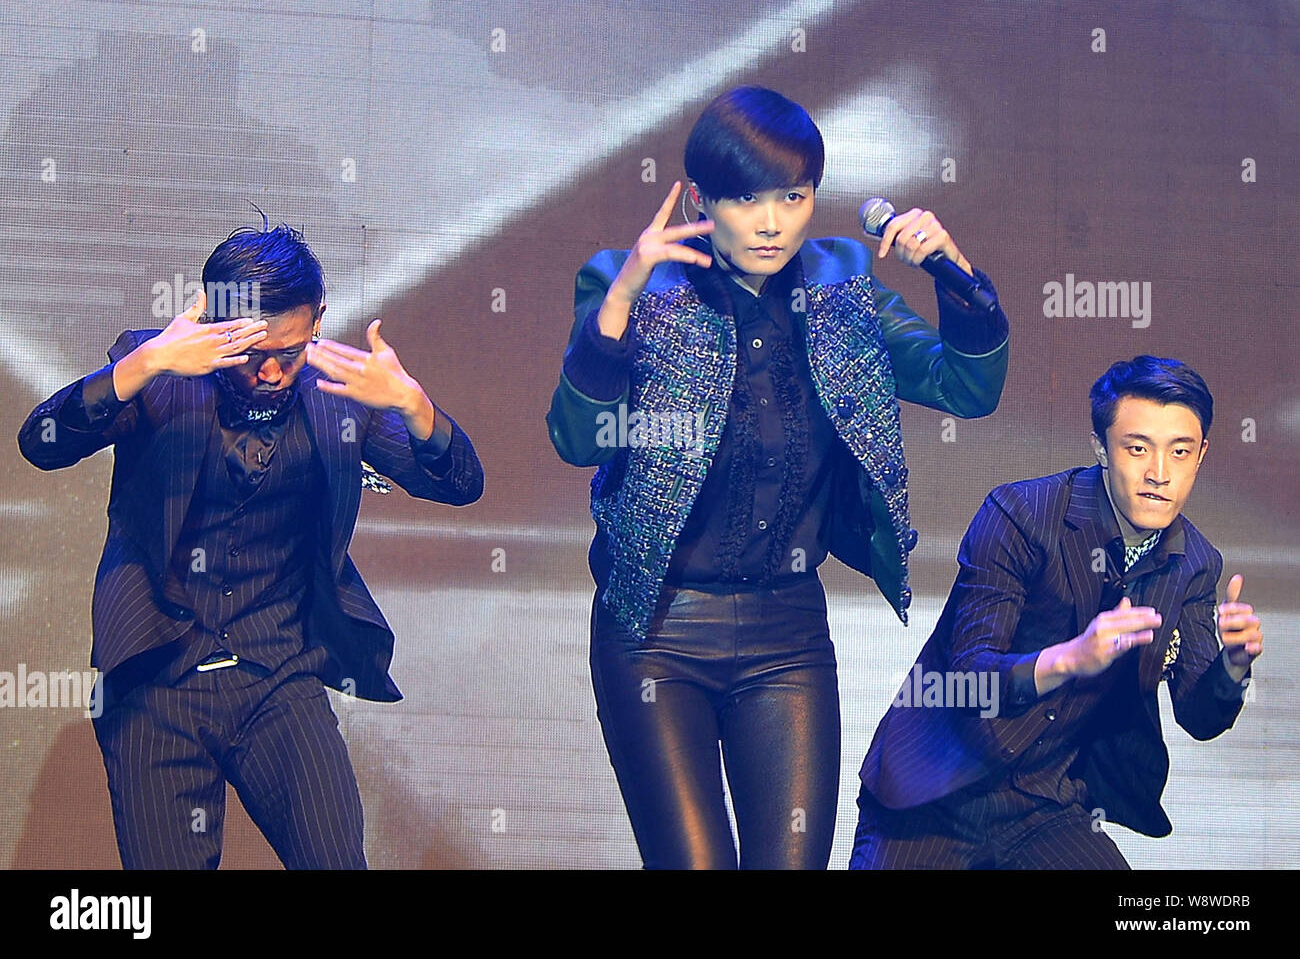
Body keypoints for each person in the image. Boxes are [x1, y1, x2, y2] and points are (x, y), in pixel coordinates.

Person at [547, 85, 1011, 868]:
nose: (771, 222)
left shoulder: (843, 286)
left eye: (794, 197)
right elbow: (578, 437)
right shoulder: (627, 283)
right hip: (655, 630)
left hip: (786, 636)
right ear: (699, 198)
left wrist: (957, 276)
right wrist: (626, 295)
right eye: (746, 199)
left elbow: (967, 388)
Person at [17, 221, 483, 869]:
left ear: (318, 318)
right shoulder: (160, 371)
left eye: (289, 351)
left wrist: (416, 408)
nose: (269, 371)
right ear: (212, 321)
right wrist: (142, 364)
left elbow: (459, 484)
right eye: (249, 351)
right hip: (157, 686)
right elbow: (40, 442)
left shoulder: (339, 393)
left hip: (278, 681)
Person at [850, 355, 1262, 869]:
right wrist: (1071, 659)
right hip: (931, 795)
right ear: (1101, 447)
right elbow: (969, 678)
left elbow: (1200, 718)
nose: (1159, 473)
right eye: (1138, 449)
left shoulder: (1194, 564)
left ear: (1200, 454)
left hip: (1044, 806)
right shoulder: (1021, 516)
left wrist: (1234, 667)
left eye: (1180, 452)